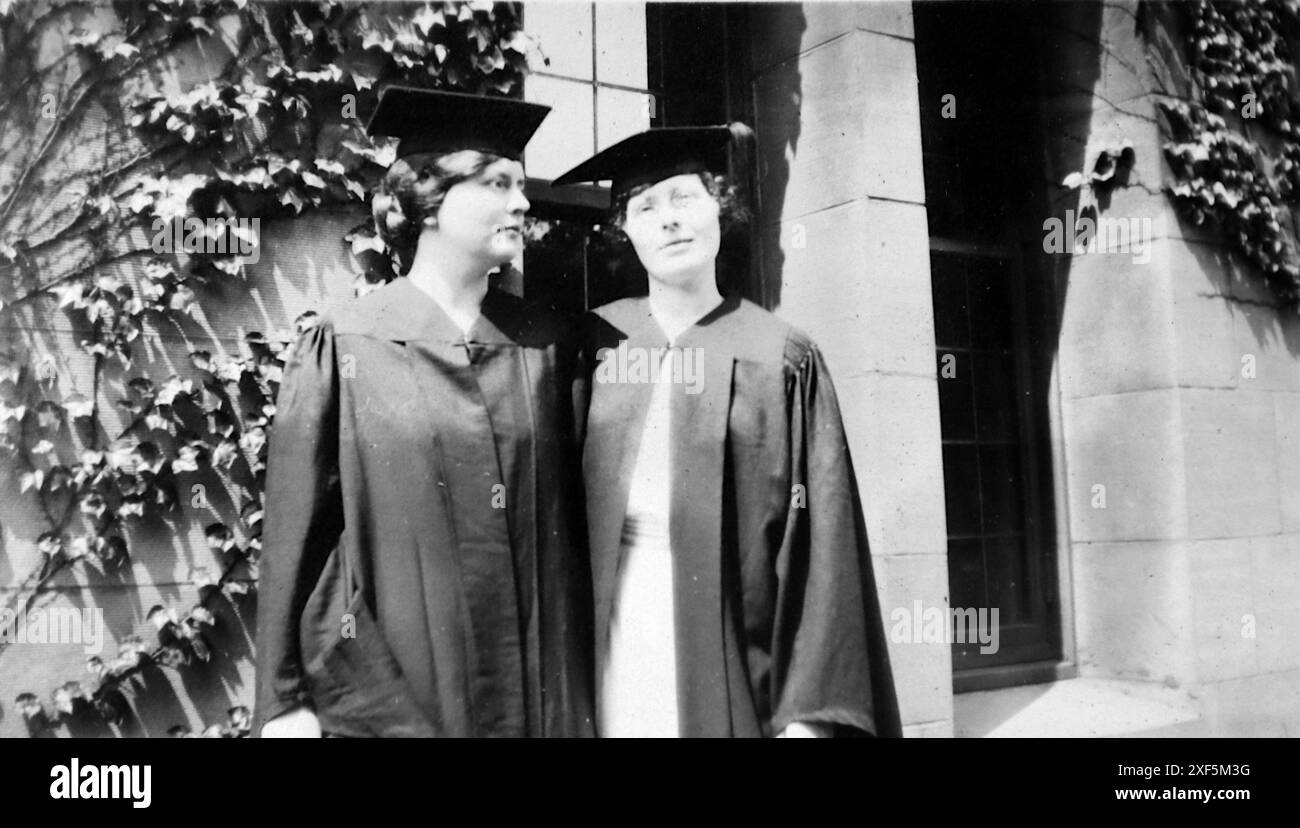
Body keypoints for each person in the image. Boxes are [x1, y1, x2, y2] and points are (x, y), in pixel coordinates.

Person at [255, 87, 594, 738]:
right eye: (497, 184)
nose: (522, 203)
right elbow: (297, 540)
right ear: (429, 202)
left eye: (520, 185)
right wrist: (283, 699)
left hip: (542, 699)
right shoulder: (345, 342)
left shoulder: (552, 347)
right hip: (405, 700)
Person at [554, 126, 902, 738]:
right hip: (613, 633)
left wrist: (811, 717)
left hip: (735, 646)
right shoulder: (597, 345)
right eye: (645, 207)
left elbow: (823, 547)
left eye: (685, 198)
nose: (668, 221)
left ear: (721, 207)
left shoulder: (782, 356)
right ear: (625, 232)